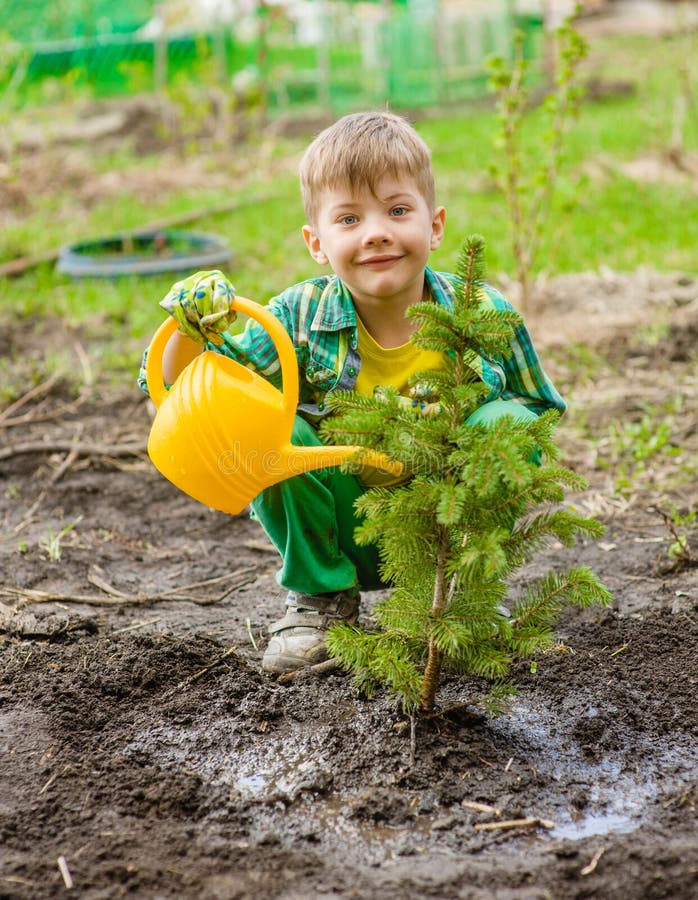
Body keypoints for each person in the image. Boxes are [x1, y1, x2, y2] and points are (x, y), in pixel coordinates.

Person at [138, 110, 565, 676]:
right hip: (341, 523)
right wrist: (193, 329)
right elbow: (186, 388)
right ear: (317, 242)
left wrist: (466, 448)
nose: (377, 232)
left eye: (397, 210)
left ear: (434, 226)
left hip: (443, 527)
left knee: (506, 423)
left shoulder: (480, 313)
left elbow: (538, 411)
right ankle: (319, 602)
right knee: (274, 427)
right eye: (349, 218)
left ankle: (464, 600)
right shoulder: (299, 316)